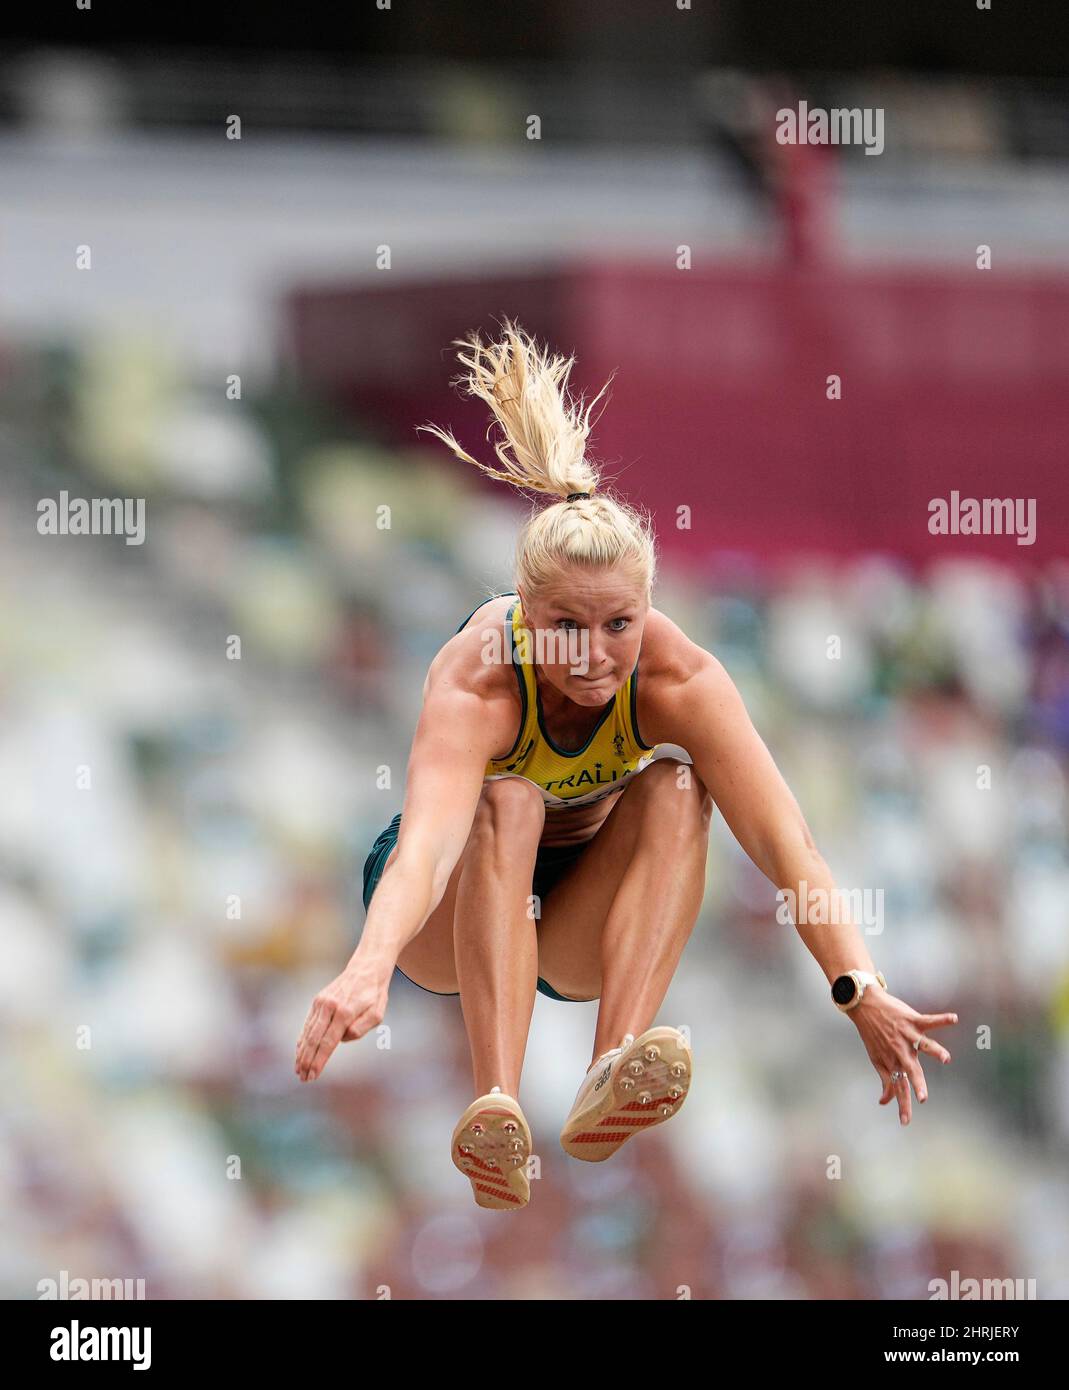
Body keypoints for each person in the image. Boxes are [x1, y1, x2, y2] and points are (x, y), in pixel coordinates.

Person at [294, 319, 958, 1211]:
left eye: (620, 624)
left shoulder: (674, 675)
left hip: (573, 916)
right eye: (569, 625)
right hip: (443, 917)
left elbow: (787, 845)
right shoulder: (478, 681)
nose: (598, 655)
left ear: (647, 610)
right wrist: (369, 966)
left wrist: (857, 986)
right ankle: (495, 1106)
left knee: (680, 790)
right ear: (525, 614)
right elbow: (427, 849)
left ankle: (612, 1065)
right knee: (512, 803)